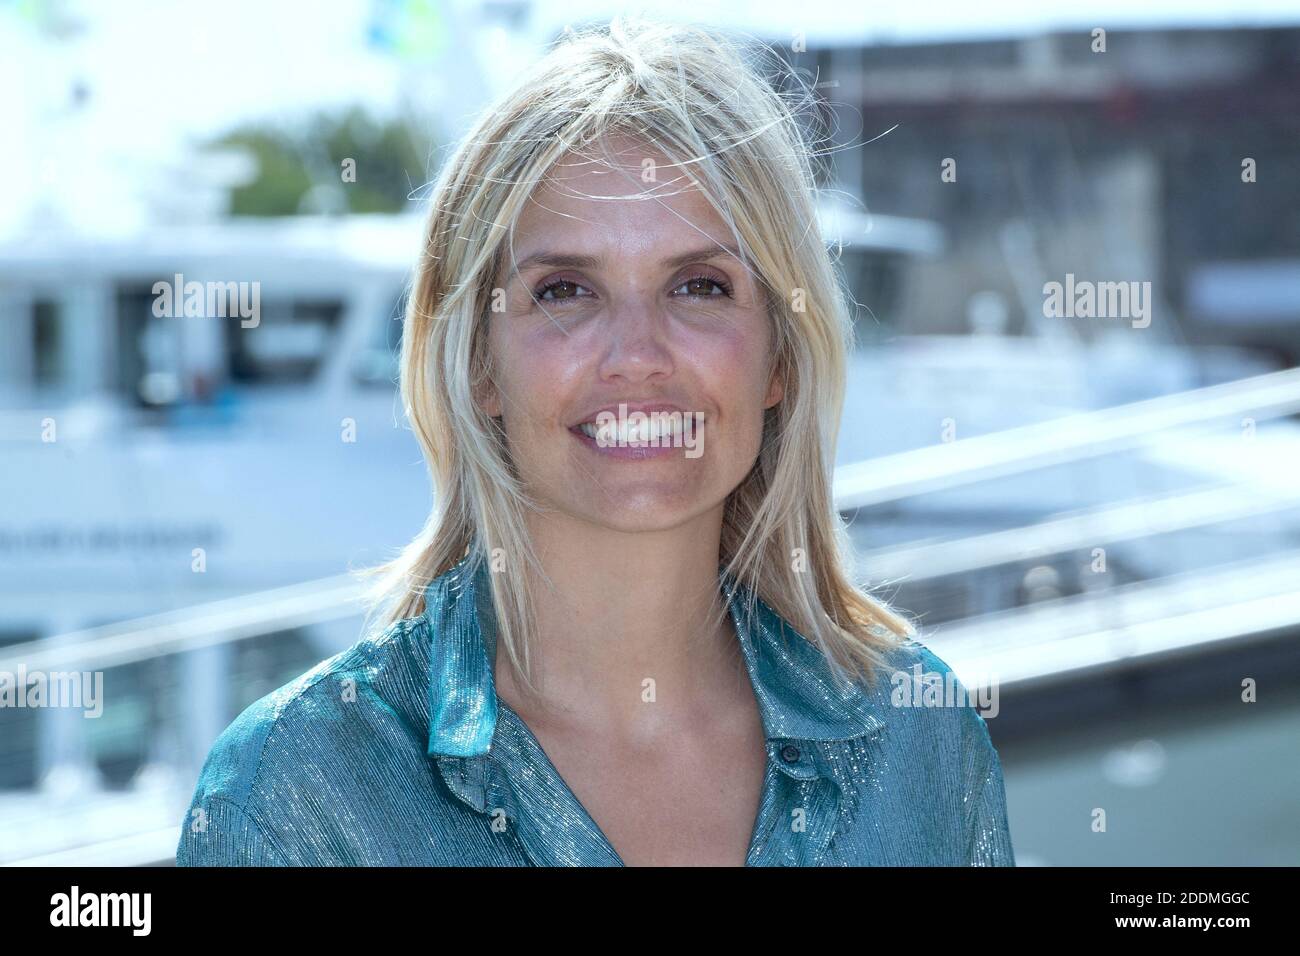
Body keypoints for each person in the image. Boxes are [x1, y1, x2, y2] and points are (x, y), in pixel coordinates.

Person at [176, 15, 1014, 867]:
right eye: (566, 290)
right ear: (478, 364)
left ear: (780, 360)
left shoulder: (918, 744)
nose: (638, 358)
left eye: (699, 285)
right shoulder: (297, 794)